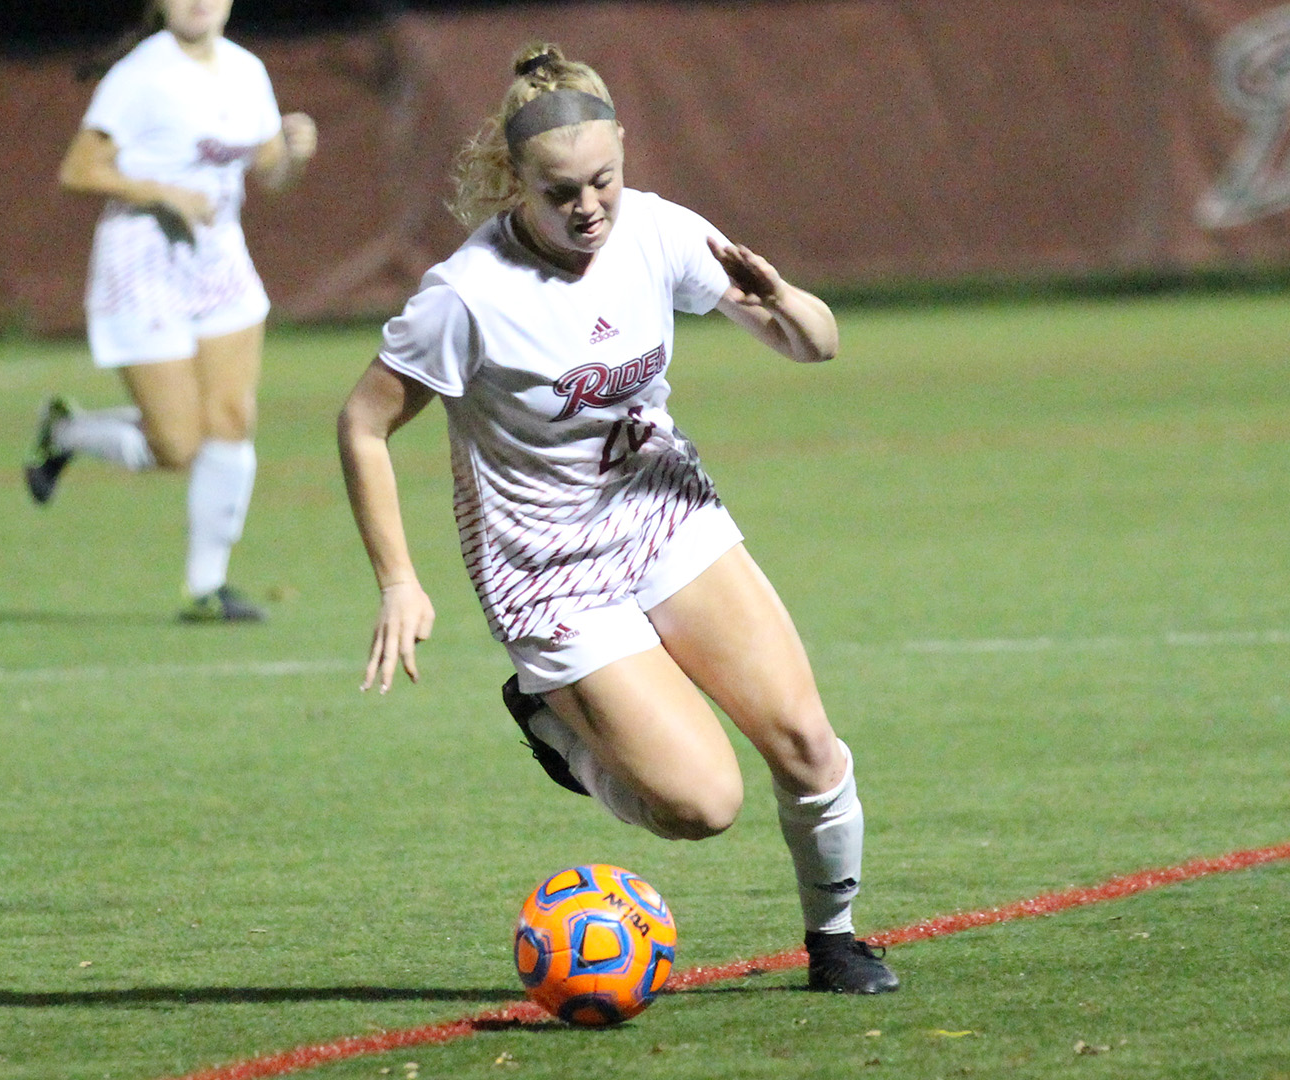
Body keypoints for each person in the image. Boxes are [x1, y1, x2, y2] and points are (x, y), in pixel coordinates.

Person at [337, 43, 899, 994]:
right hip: (545, 564)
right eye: (561, 192)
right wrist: (399, 578)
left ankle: (835, 939)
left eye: (605, 180)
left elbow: (817, 346)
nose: (589, 206)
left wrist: (785, 302)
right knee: (702, 804)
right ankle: (558, 729)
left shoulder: (659, 232)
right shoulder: (467, 296)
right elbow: (362, 423)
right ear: (516, 182)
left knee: (805, 741)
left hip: (662, 510)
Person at [24, 0, 317, 622]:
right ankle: (67, 433)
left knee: (232, 418)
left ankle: (206, 589)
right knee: (178, 445)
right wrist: (161, 191)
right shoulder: (139, 75)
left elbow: (271, 173)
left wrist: (294, 150)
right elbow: (78, 170)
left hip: (219, 265)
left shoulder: (245, 69)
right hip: (142, 267)